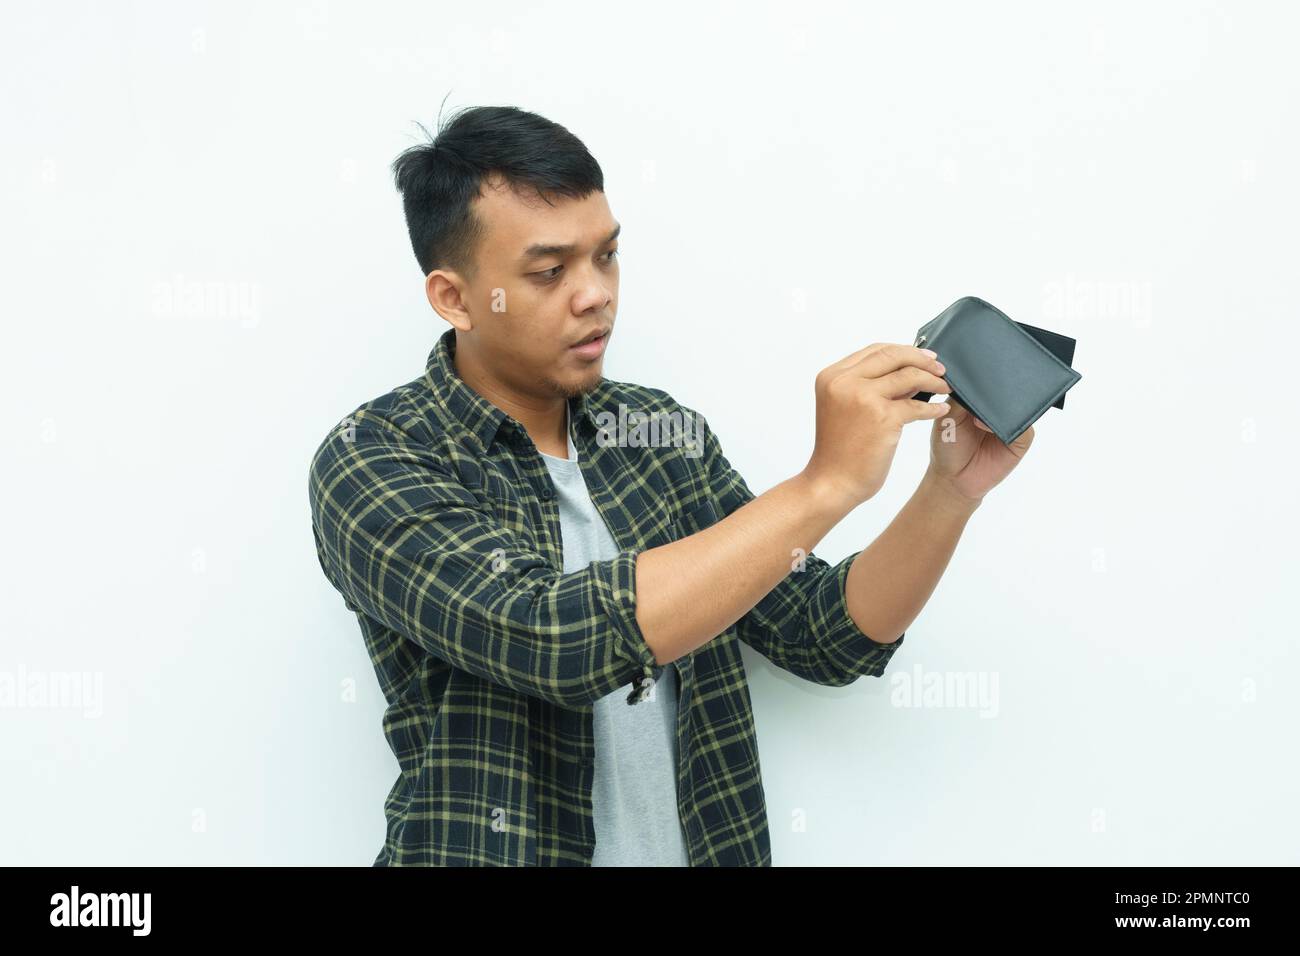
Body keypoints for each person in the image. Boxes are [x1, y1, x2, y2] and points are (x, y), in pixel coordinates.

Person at [307, 105, 1034, 866]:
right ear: (455, 298)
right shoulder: (376, 457)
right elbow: (552, 641)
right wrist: (824, 485)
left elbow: (823, 635)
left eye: (607, 255)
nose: (595, 294)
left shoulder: (659, 433)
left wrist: (949, 493)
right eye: (550, 271)